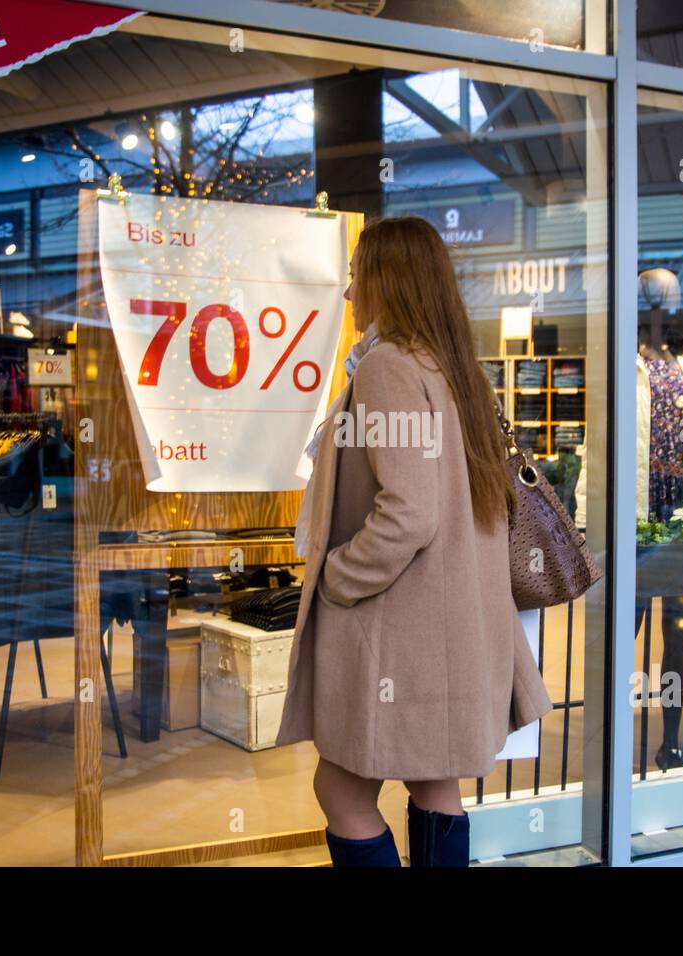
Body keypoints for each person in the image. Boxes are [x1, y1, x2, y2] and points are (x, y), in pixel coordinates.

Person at [275, 216, 554, 867]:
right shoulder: (453, 368)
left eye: (355, 277)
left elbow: (409, 513)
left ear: (387, 280)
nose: (348, 294)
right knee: (435, 783)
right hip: (454, 632)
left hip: (399, 636)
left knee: (339, 790)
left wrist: (338, 576)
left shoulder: (389, 367)